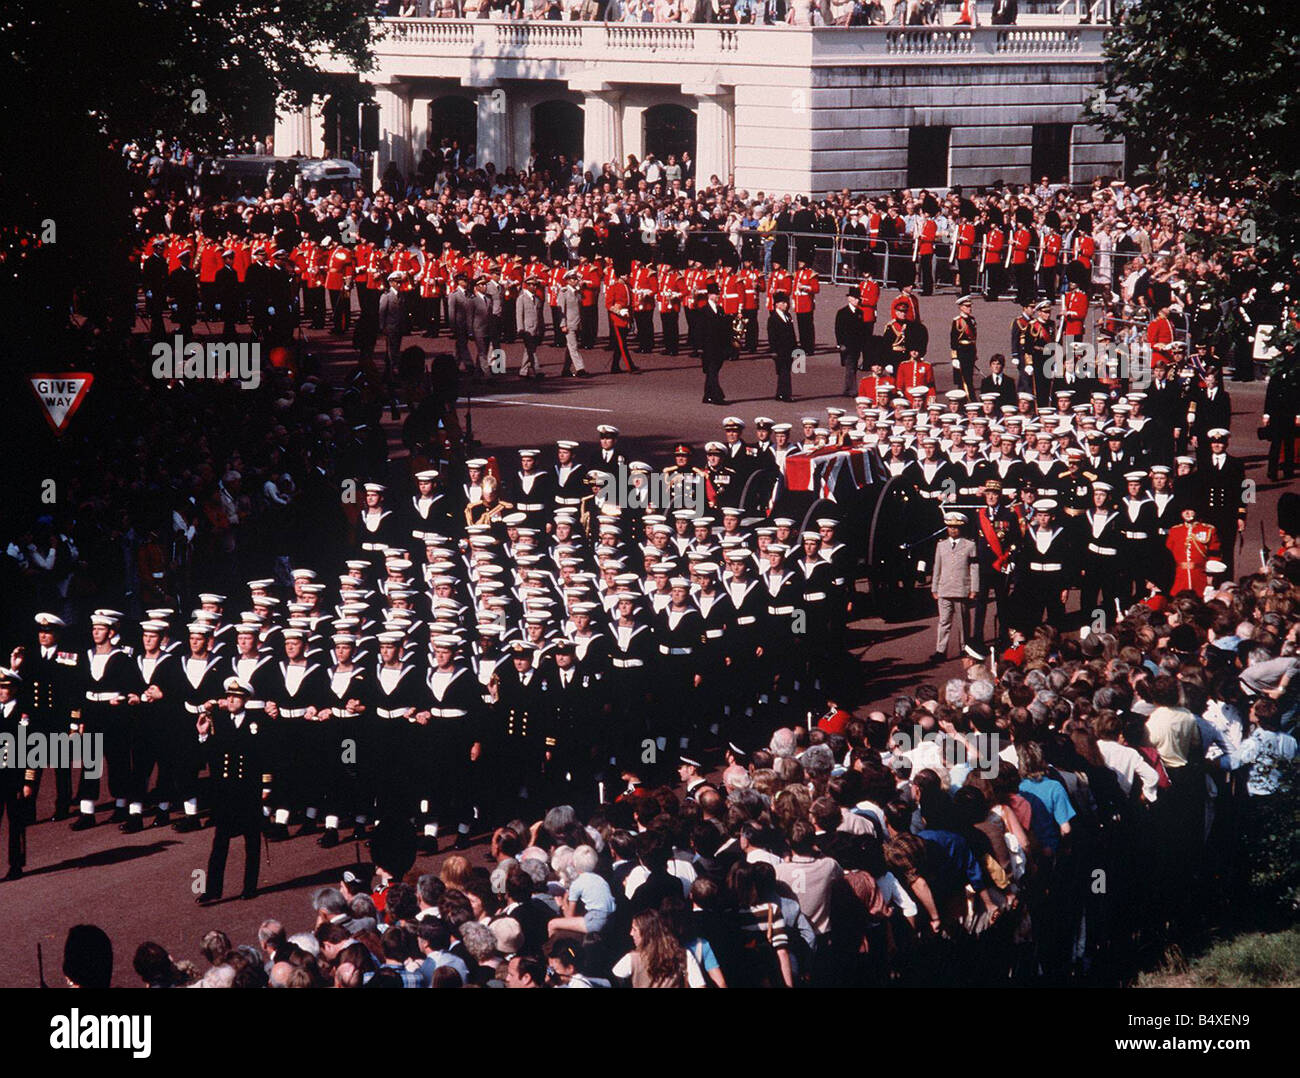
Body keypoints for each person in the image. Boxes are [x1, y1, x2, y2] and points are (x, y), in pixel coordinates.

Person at [195, 678, 270, 904]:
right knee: (220, 842)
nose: (231, 700)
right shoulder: (218, 721)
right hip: (226, 792)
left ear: (245, 700)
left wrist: (266, 786)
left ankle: (249, 887)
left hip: (249, 790)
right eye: (228, 696)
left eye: (236, 697)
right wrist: (203, 735)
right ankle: (212, 889)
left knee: (252, 840)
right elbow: (210, 756)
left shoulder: (257, 723)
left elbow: (267, 757)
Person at [931, 512, 979, 661]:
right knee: (944, 621)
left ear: (962, 528)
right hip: (944, 589)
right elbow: (937, 567)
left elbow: (974, 568)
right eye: (950, 527)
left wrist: (974, 588)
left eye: (956, 527)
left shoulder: (970, 545)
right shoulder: (941, 545)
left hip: (961, 589)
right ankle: (940, 650)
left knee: (963, 622)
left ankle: (964, 646)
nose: (953, 530)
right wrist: (934, 587)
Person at [699, 283, 732, 405]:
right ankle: (717, 396)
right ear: (709, 295)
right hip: (709, 346)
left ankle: (707, 395)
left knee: (712, 371)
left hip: (718, 345)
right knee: (712, 371)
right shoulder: (704, 310)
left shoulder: (720, 309)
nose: (718, 296)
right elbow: (700, 330)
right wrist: (700, 347)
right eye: (716, 294)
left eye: (718, 294)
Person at [768, 291, 799, 402]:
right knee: (783, 371)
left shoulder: (787, 316)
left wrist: (795, 346)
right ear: (777, 304)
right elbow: (772, 336)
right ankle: (785, 395)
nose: (786, 305)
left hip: (788, 349)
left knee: (785, 371)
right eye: (783, 303)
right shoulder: (773, 318)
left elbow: (792, 332)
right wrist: (773, 350)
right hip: (780, 349)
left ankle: (780, 393)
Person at [835, 290, 866, 397]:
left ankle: (848, 388)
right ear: (849, 299)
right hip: (847, 345)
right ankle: (852, 390)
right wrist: (840, 344)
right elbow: (838, 329)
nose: (857, 300)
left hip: (856, 345)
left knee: (852, 367)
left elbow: (862, 331)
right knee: (850, 366)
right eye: (855, 298)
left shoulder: (860, 312)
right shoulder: (842, 312)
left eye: (858, 298)